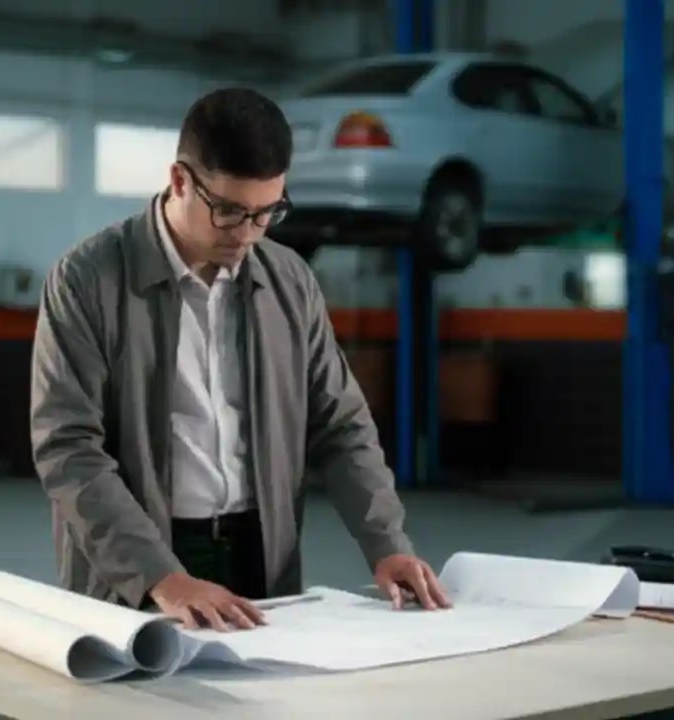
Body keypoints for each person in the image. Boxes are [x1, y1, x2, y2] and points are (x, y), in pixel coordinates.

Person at [29, 87, 450, 632]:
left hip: (260, 553)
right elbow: (68, 450)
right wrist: (163, 577)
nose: (247, 234)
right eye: (229, 212)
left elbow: (341, 426)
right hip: (140, 562)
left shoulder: (288, 281)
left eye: (266, 213)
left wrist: (386, 545)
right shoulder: (87, 279)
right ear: (180, 180)